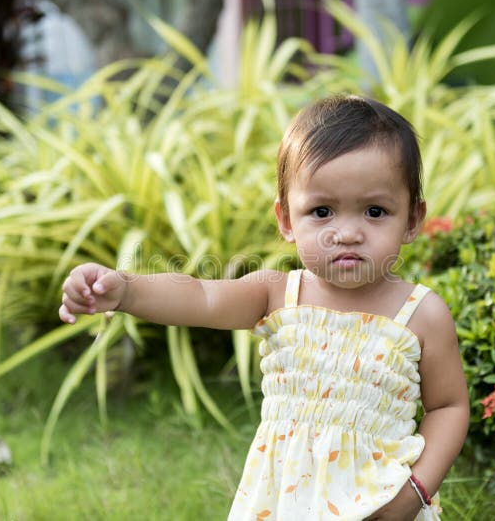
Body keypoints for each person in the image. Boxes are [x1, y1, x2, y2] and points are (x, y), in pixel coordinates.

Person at [60, 95, 470, 520]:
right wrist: (126, 289)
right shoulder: (276, 295)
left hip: (379, 502)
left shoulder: (420, 313)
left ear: (412, 220)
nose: (347, 233)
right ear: (287, 220)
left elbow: (448, 407)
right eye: (322, 211)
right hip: (282, 503)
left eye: (374, 211)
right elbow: (200, 296)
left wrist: (413, 492)